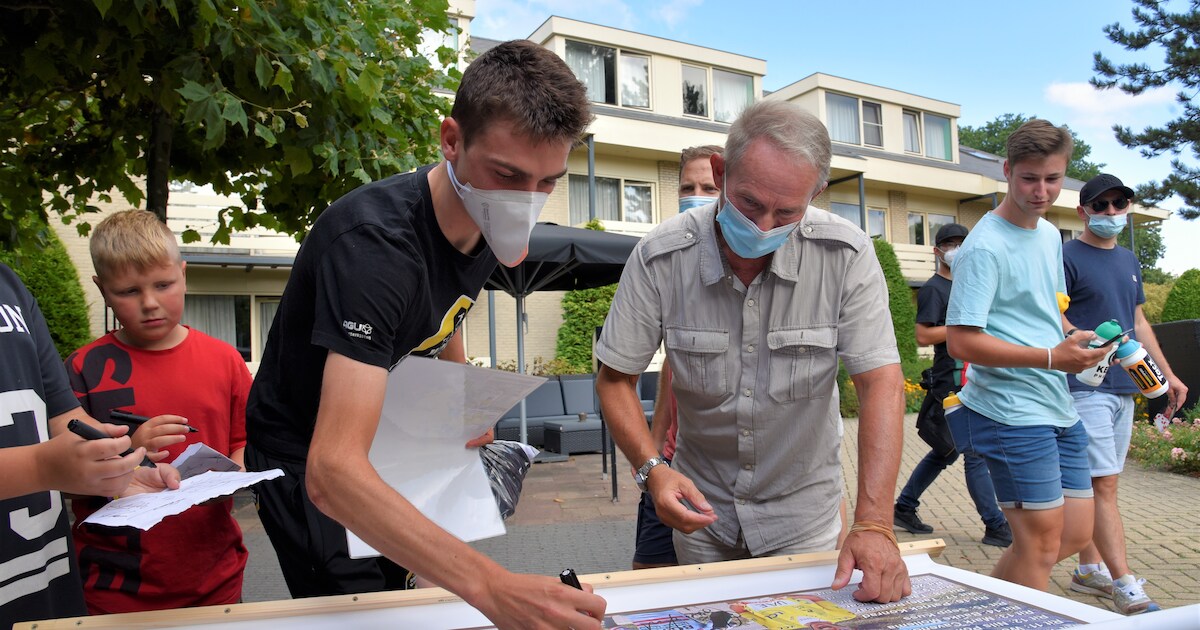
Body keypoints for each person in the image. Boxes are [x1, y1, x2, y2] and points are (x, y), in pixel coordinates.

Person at [244, 40, 604, 629]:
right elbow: (332, 472)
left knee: (415, 587)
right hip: (305, 451)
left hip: (394, 435)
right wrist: (494, 588)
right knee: (367, 610)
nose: (526, 201)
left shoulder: (488, 221)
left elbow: (449, 313)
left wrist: (460, 400)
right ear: (451, 139)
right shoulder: (374, 248)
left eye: (548, 182)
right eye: (508, 175)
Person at [596, 100, 910, 604]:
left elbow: (880, 382)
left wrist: (874, 522)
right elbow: (615, 379)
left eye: (787, 211)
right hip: (701, 515)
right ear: (720, 173)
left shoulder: (845, 255)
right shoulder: (660, 256)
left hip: (802, 519)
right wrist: (652, 470)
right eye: (748, 204)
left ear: (817, 193)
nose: (764, 226)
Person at [944, 119, 1110, 591]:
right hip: (1009, 412)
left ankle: (976, 612)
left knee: (1075, 534)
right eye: (1029, 178)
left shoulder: (1048, 236)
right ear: (1008, 171)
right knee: (1038, 546)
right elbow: (960, 342)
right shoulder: (983, 247)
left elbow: (1050, 312)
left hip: (1056, 404)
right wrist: (1054, 359)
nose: (1041, 191)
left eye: (1052, 179)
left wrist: (1080, 339)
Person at [64, 210, 252, 614]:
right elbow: (64, 477)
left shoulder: (224, 360)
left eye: (164, 285)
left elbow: (245, 439)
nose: (150, 303)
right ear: (101, 288)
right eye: (128, 292)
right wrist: (130, 447)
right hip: (114, 588)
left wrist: (234, 474)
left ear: (183, 275)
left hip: (213, 578)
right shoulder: (83, 368)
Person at [0, 261, 179, 628]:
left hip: (43, 581)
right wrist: (39, 469)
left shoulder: (9, 286)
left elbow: (64, 416)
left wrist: (121, 468)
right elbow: (46, 458)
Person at [1063, 174, 1187, 615]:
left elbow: (1137, 320)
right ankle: (1123, 583)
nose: (1111, 213)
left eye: (1119, 204)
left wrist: (1166, 374)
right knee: (1105, 485)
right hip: (1085, 386)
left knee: (1102, 481)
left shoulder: (1129, 259)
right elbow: (1050, 312)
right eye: (1101, 206)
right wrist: (1081, 338)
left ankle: (1086, 569)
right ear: (1083, 212)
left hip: (1126, 386)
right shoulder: (1066, 256)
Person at [633, 144, 724, 571]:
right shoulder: (665, 259)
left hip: (722, 472)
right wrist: (653, 450)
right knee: (650, 573)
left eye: (708, 186)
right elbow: (674, 363)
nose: (696, 194)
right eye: (687, 186)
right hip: (672, 463)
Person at [893, 223, 1012, 548]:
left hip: (972, 377)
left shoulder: (969, 284)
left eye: (961, 242)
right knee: (974, 452)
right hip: (950, 382)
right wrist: (962, 327)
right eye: (949, 243)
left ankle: (904, 506)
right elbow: (923, 335)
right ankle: (996, 526)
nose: (955, 248)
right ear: (937, 251)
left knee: (946, 452)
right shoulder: (935, 288)